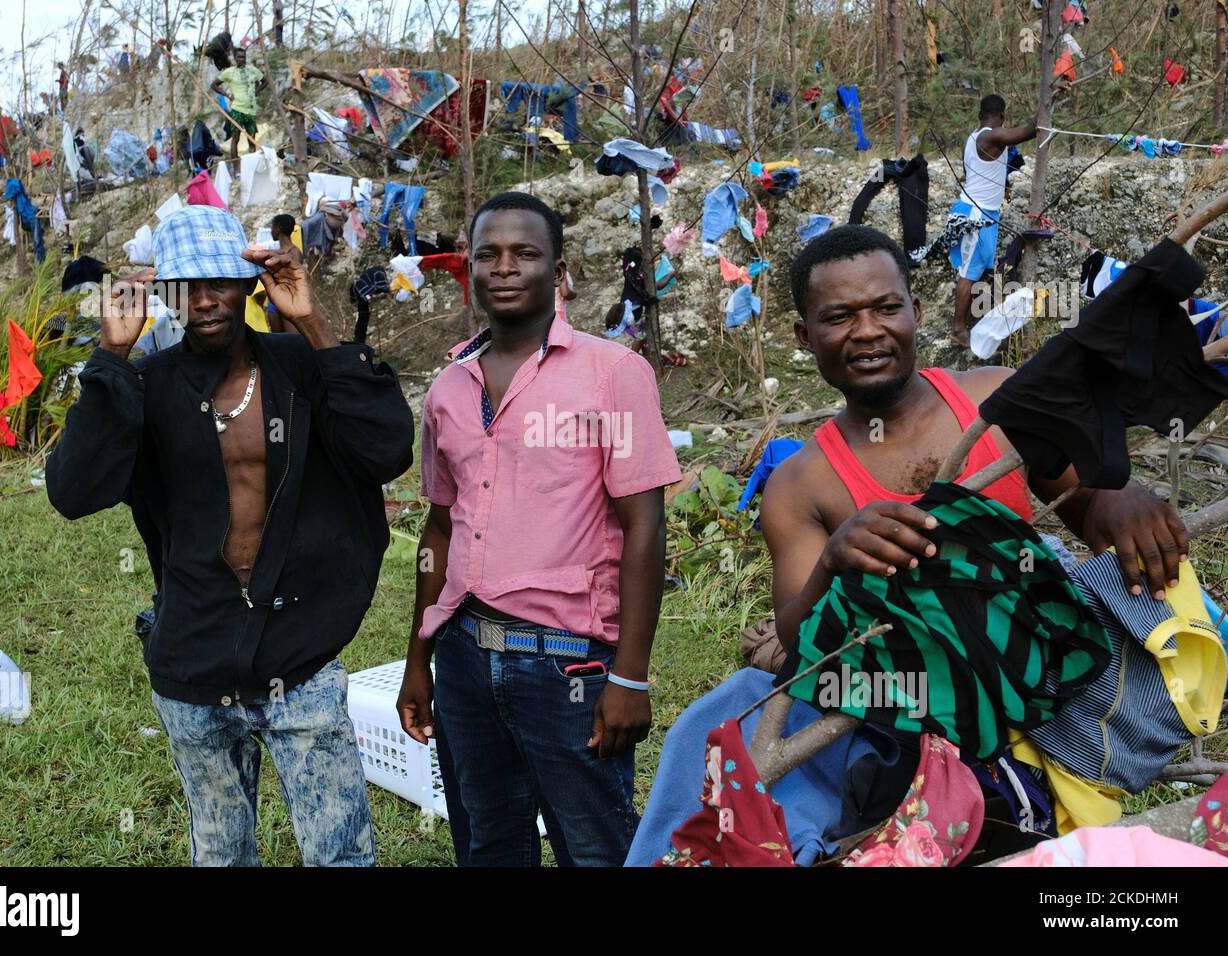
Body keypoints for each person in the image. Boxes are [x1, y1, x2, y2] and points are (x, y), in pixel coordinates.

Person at [45, 205, 415, 866]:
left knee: (339, 853)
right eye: (186, 286)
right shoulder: (147, 385)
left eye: (220, 281)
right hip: (194, 656)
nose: (206, 299)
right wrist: (110, 355)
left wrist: (313, 322)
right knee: (220, 853)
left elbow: (386, 450)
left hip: (300, 657)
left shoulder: (301, 368)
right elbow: (75, 493)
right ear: (166, 295)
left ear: (249, 285)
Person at [397, 191, 682, 867]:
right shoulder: (449, 389)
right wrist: (418, 658)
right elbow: (439, 530)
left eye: (524, 253)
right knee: (489, 842)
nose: (503, 268)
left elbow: (644, 528)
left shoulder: (612, 374)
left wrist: (631, 679)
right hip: (464, 654)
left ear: (558, 270)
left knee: (596, 848)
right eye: (487, 255)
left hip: (569, 666)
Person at [761, 225, 1190, 665]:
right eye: (839, 317)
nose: (868, 331)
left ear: (917, 312)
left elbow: (1087, 504)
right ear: (804, 335)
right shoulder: (798, 486)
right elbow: (798, 638)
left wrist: (1119, 497)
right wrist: (832, 563)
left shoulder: (999, 400)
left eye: (887, 308)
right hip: (928, 687)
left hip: (1038, 650)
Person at [948, 95, 1036, 346]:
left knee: (984, 269)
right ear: (1001, 116)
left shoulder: (974, 137)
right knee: (970, 272)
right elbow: (1030, 131)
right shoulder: (990, 136)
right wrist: (1050, 98)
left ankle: (983, 320)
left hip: (984, 212)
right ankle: (957, 331)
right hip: (977, 214)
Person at [211, 46, 267, 159]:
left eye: (243, 57)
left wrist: (256, 92)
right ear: (235, 59)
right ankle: (236, 168)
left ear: (245, 58)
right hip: (237, 110)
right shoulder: (229, 72)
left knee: (252, 139)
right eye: (239, 57)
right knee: (235, 138)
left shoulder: (253, 70)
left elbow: (265, 82)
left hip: (250, 110)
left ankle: (253, 164)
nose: (241, 59)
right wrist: (227, 95)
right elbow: (214, 85)